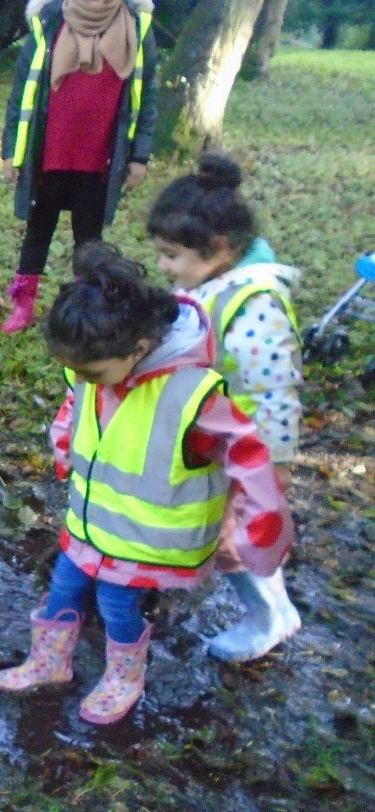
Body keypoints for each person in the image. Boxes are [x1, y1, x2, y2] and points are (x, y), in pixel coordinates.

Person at [0, 243, 295, 724]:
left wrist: (256, 526)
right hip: (90, 526)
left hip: (147, 540)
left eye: (92, 373)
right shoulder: (92, 370)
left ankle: (123, 678)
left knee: (118, 606)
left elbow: (248, 454)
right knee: (63, 587)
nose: (84, 381)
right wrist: (64, 444)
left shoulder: (191, 393)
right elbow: (75, 406)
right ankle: (50, 662)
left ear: (138, 349)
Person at [148, 152, 303, 662]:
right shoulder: (209, 283)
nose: (164, 266)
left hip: (241, 454)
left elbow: (271, 397)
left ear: (217, 248)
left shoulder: (255, 304)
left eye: (171, 255)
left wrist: (261, 478)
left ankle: (269, 617)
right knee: (217, 532)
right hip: (209, 443)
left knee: (238, 544)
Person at [0, 0, 158, 333]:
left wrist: (139, 156)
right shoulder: (49, 20)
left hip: (101, 158)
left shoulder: (136, 26)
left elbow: (147, 98)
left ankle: (85, 313)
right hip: (48, 153)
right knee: (37, 234)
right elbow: (21, 92)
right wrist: (12, 151)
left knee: (89, 243)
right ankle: (23, 307)